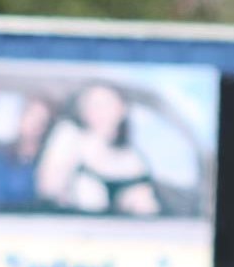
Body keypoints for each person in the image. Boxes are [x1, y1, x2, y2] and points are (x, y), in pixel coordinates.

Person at [35, 82, 160, 216]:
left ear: (122, 109)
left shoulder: (133, 158)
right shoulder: (68, 137)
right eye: (91, 104)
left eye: (105, 104)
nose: (98, 111)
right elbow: (48, 188)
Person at [0, 95, 54, 213]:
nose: (35, 125)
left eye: (42, 121)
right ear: (21, 118)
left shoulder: (49, 163)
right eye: (31, 116)